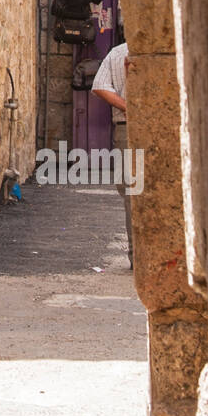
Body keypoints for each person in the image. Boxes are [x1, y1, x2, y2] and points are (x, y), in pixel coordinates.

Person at [92, 39, 133, 264]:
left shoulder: (119, 52)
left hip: (126, 128)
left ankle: (138, 257)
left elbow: (100, 85)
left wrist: (127, 107)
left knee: (132, 193)